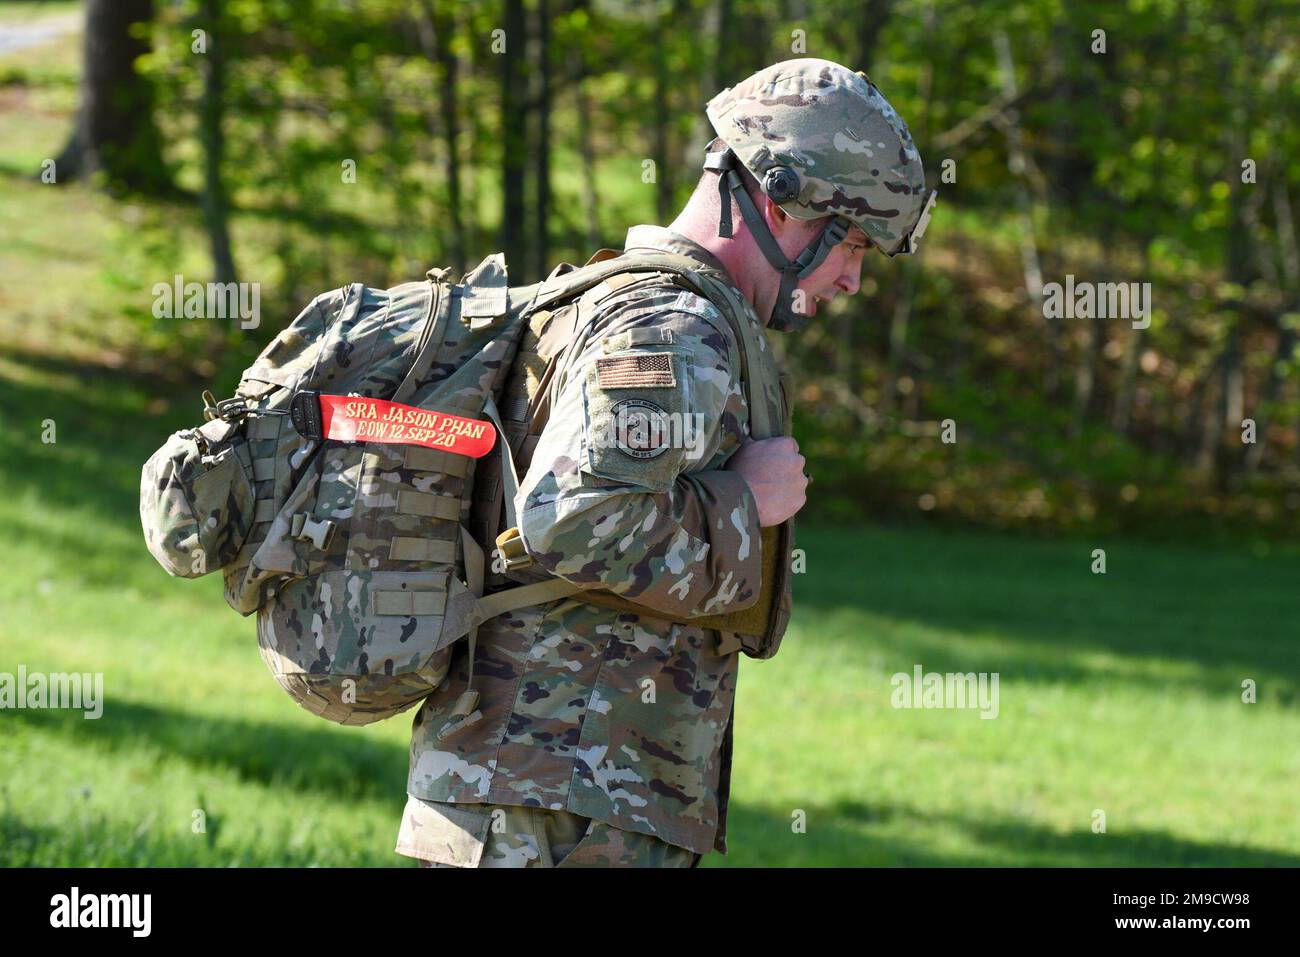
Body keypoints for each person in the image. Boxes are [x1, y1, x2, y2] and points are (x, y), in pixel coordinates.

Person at [393, 56, 934, 868]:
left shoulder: (640, 303)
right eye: (852, 241)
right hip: (556, 806)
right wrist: (745, 504)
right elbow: (571, 518)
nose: (854, 278)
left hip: (548, 793)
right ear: (784, 199)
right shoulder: (674, 327)